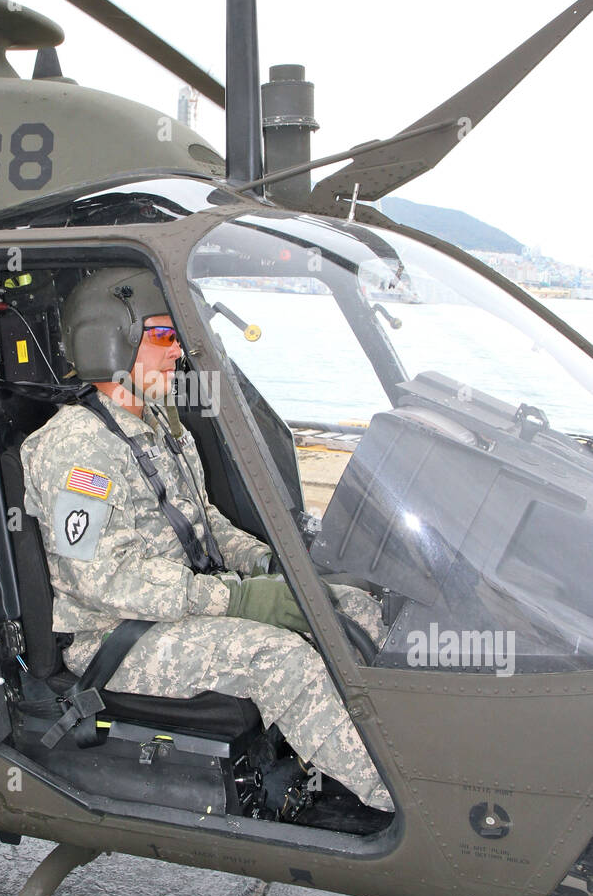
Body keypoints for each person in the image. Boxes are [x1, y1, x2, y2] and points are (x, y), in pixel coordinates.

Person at [20, 266, 392, 812]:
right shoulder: (75, 447)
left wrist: (269, 566)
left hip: (182, 608)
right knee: (280, 657)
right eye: (164, 336)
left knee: (349, 605)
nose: (177, 353)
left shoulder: (160, 423)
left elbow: (205, 522)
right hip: (114, 637)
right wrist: (236, 598)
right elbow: (100, 578)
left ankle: (395, 747)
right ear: (110, 341)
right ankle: (399, 800)